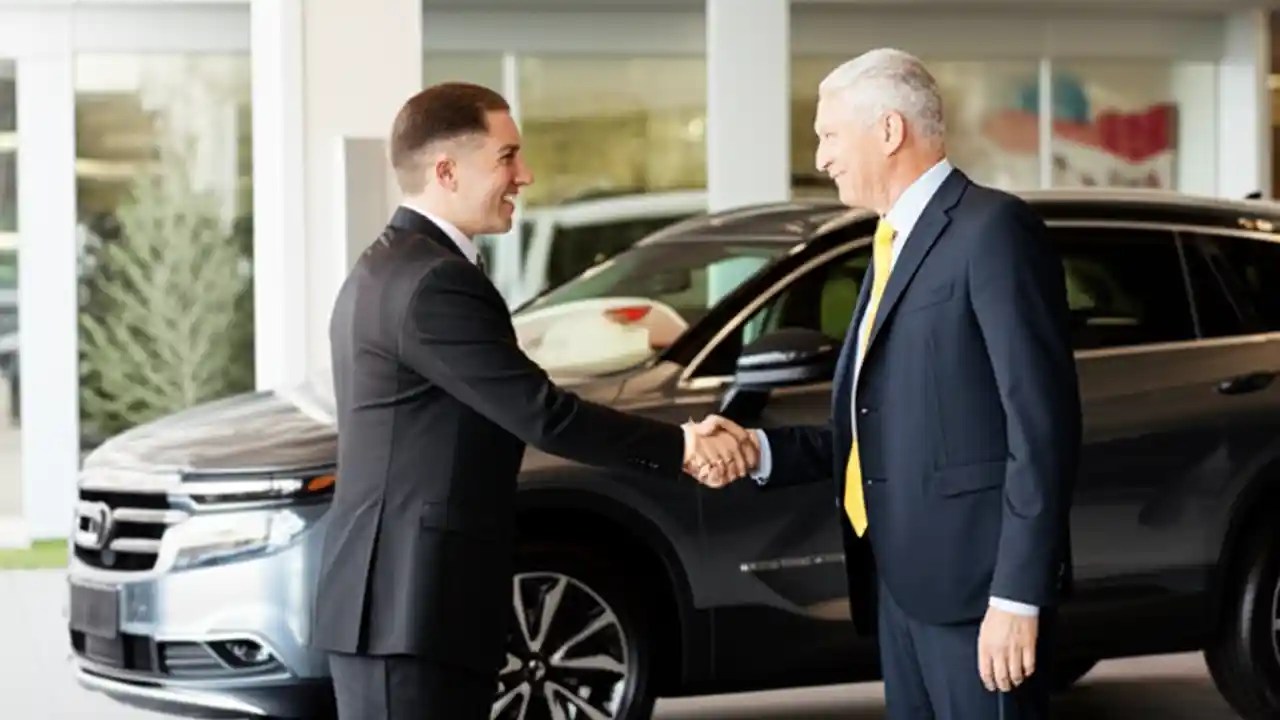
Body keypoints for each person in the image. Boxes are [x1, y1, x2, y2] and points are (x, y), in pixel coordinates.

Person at [311, 82, 755, 720]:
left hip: (405, 605)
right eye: (506, 157)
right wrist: (683, 445)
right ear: (446, 170)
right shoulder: (435, 281)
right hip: (411, 608)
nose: (525, 174)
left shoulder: (393, 264)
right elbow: (543, 414)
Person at [695, 49, 1081, 719]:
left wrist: (1016, 597)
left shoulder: (992, 231)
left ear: (889, 130)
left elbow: (1040, 425)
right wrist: (759, 452)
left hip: (976, 597)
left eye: (829, 135)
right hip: (899, 588)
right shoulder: (889, 241)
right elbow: (879, 426)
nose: (821, 159)